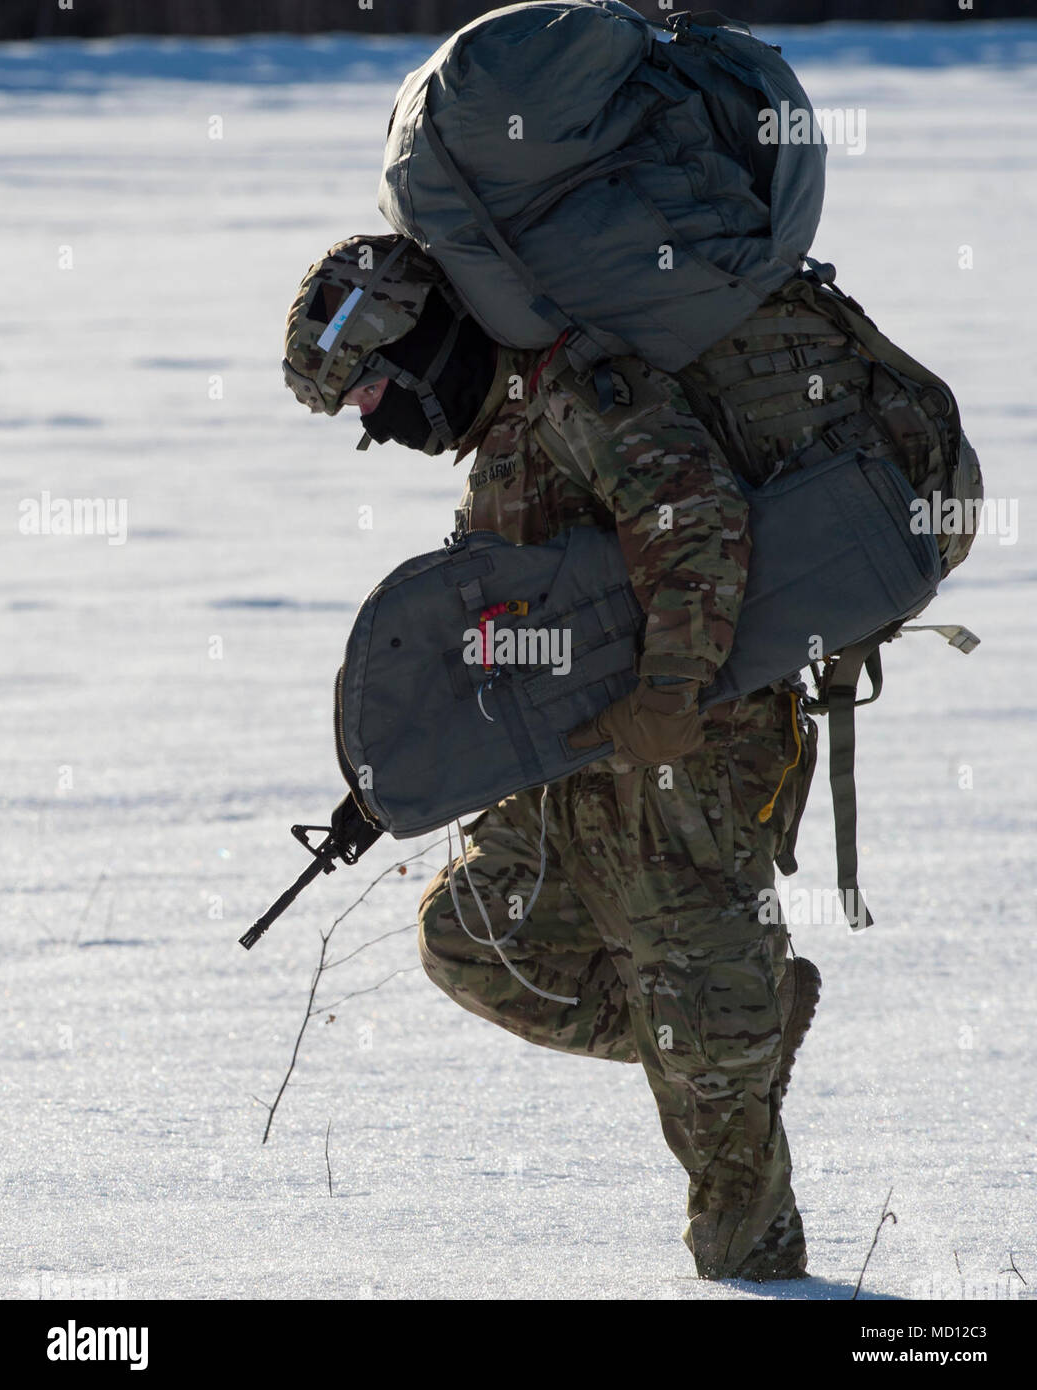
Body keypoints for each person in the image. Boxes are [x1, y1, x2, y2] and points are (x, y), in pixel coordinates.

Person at [282, 231, 951, 1281]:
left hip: (690, 762)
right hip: (568, 768)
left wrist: (672, 694)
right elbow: (513, 621)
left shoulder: (579, 390)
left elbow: (695, 518)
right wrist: (399, 778)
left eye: (365, 396)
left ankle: (755, 1266)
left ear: (413, 344)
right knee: (473, 937)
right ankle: (736, 1028)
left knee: (699, 1024)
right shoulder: (507, 428)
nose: (373, 430)